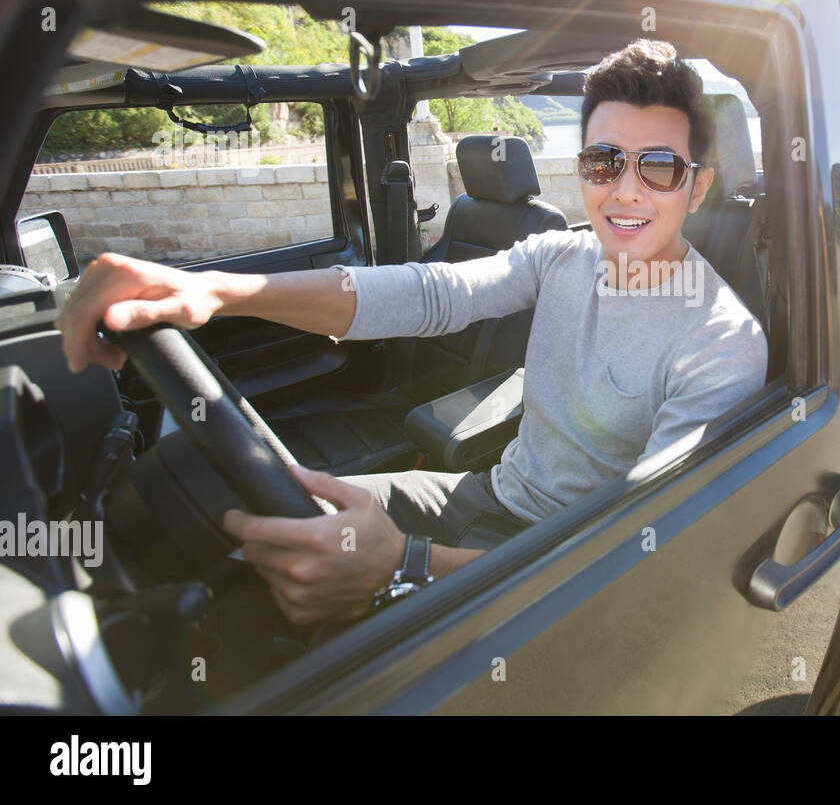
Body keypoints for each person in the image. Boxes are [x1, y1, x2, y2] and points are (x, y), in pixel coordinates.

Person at [55, 38, 768, 624]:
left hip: (556, 558)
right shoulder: (564, 254)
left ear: (697, 186)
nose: (626, 191)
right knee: (219, 495)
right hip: (481, 494)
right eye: (604, 161)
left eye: (659, 167)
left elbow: (630, 564)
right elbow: (431, 293)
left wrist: (403, 566)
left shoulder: (720, 345)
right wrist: (214, 292)